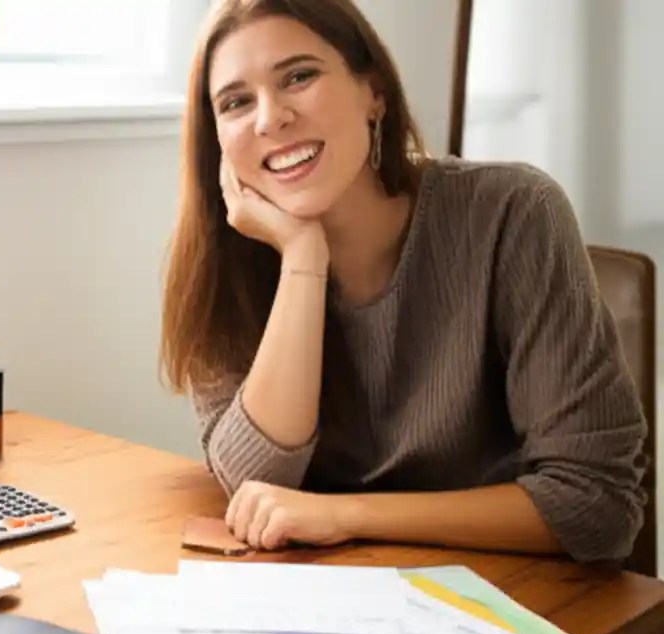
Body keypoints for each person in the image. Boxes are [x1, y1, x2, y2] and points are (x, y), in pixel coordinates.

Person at [158, 0, 648, 563]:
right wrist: (303, 258)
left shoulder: (514, 212)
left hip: (512, 590)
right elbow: (254, 482)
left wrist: (346, 516)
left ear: (374, 93)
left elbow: (596, 505)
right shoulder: (221, 264)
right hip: (331, 592)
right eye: (236, 102)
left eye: (298, 76)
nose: (270, 118)